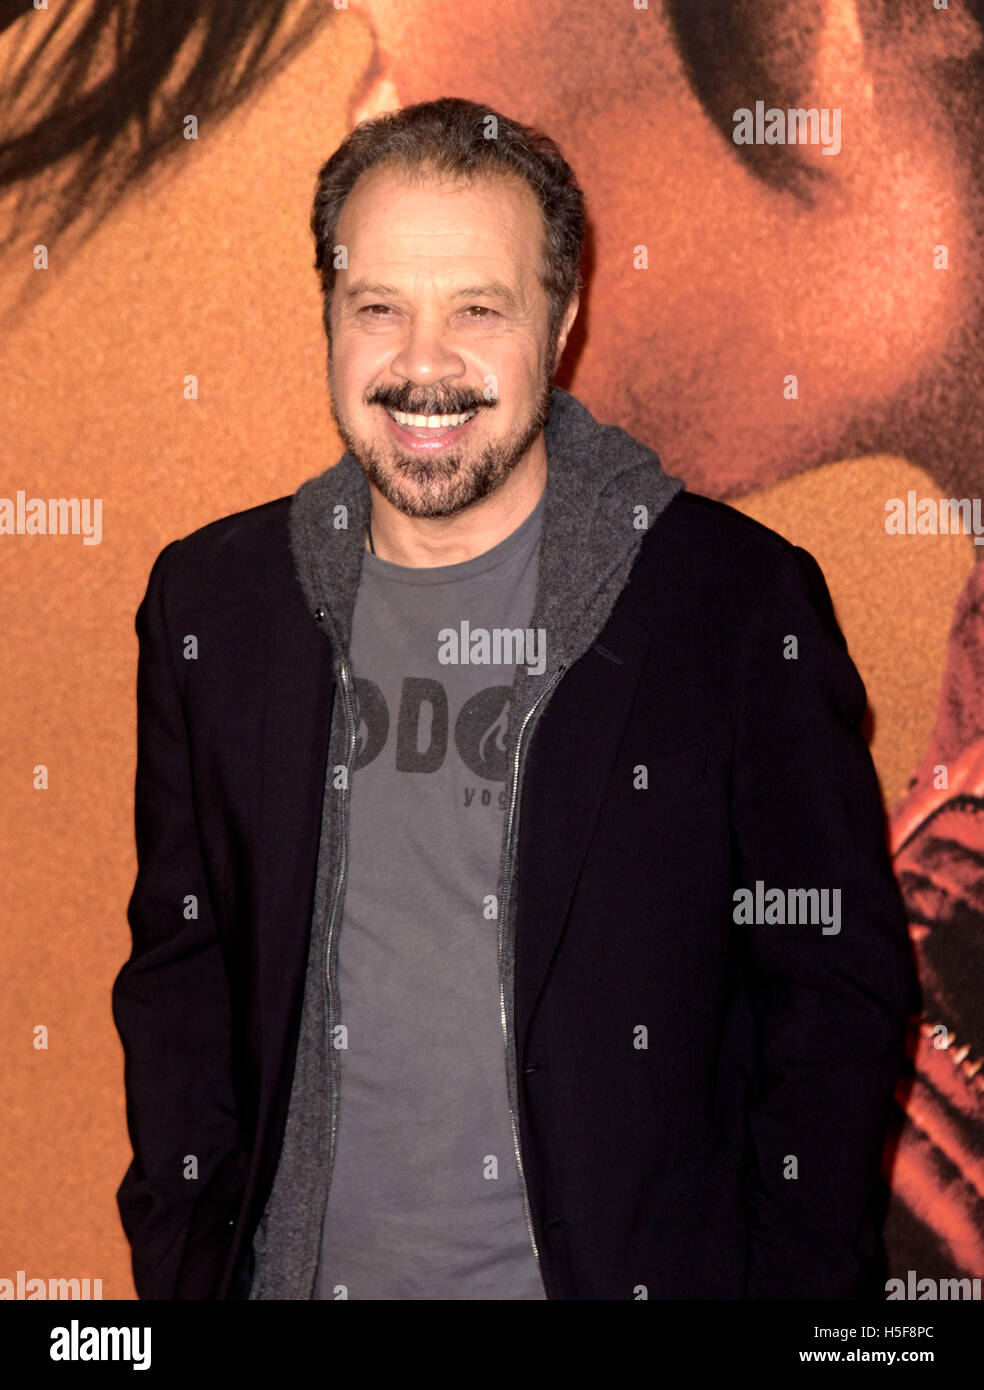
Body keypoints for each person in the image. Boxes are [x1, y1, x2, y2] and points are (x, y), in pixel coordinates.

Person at [112, 96, 914, 1301]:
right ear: (327, 314)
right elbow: (182, 984)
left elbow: (833, 1005)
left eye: (476, 310)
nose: (422, 364)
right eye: (377, 307)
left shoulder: (733, 607)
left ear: (563, 319)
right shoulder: (214, 608)